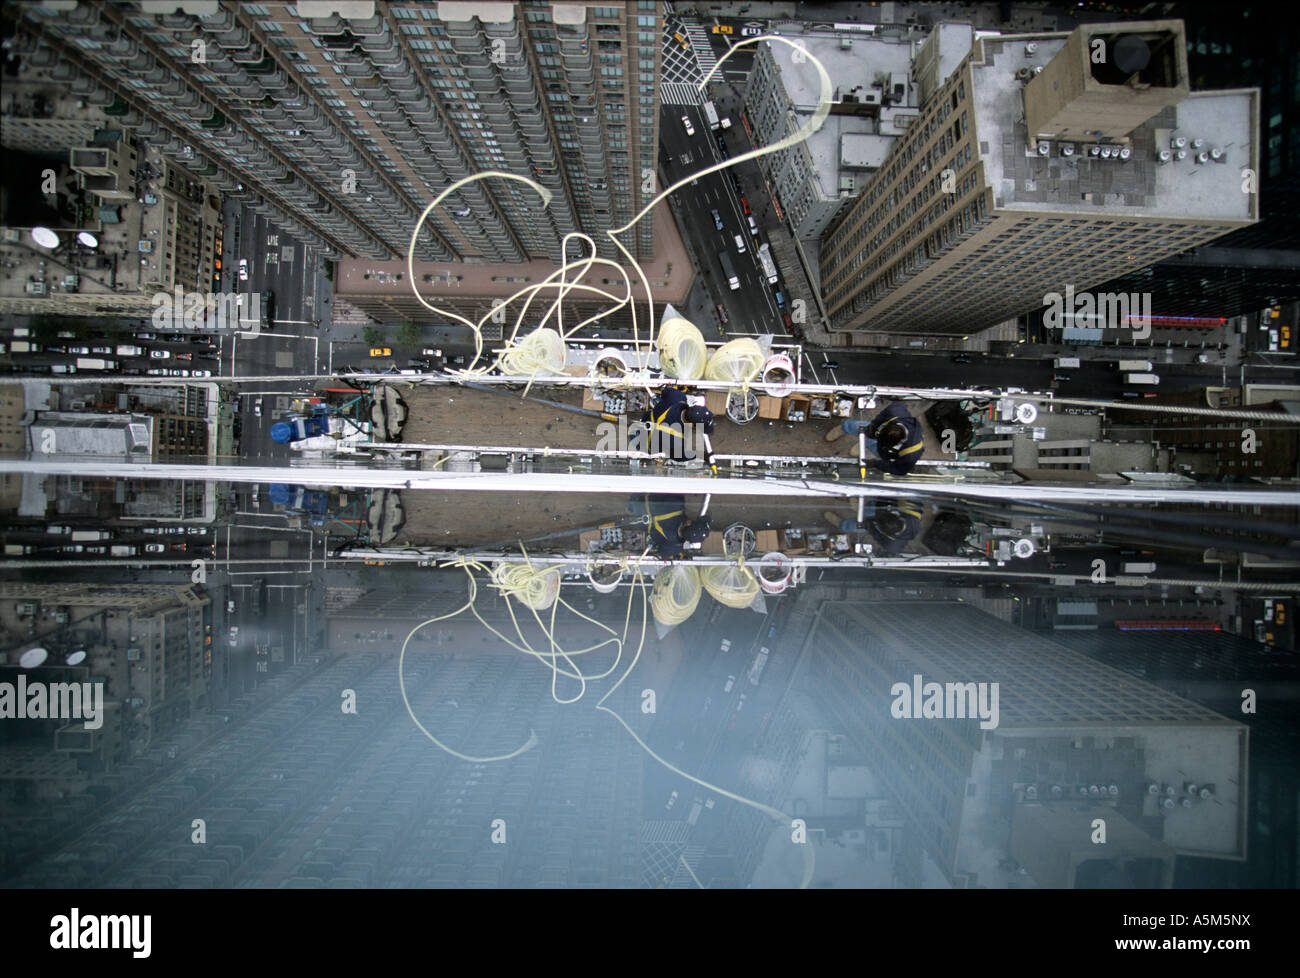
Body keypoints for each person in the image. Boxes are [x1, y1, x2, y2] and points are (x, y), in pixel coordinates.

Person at [824, 401, 925, 475]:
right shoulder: (896, 412)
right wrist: (874, 426)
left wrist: (876, 464)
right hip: (877, 432)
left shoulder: (911, 455)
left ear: (901, 441)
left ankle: (864, 444)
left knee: (874, 446)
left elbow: (899, 469)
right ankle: (843, 429)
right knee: (859, 427)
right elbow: (886, 412)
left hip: (887, 452)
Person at [636, 386, 716, 463]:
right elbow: (679, 457)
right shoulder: (676, 441)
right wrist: (702, 455)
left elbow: (666, 392)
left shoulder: (678, 397)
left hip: (644, 420)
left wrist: (663, 405)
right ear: (691, 424)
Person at [823, 499, 923, 555]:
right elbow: (901, 494)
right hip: (886, 508)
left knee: (853, 526)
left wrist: (870, 526)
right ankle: (860, 507)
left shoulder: (892, 544)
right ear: (898, 516)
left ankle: (842, 524)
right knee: (871, 509)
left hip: (876, 525)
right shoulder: (913, 512)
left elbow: (877, 535)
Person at [629, 494, 712, 559]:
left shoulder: (677, 503)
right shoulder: (674, 548)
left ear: (688, 523)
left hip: (637, 499)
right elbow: (661, 553)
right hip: (636, 522)